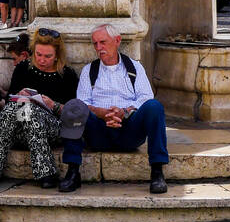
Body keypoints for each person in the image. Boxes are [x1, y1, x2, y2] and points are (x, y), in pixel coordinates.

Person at [58, 23, 169, 195]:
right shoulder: (89, 70)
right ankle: (73, 172)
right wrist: (102, 114)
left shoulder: (134, 68)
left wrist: (124, 112)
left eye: (103, 42)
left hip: (129, 132)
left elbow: (145, 98)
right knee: (74, 106)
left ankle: (157, 171)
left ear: (117, 41)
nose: (99, 47)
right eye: (95, 44)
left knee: (154, 107)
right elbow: (83, 103)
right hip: (99, 133)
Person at [0, 28, 78, 187]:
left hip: (52, 128)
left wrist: (52, 104)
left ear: (57, 57)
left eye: (48, 56)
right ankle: (44, 173)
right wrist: (20, 96)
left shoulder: (67, 75)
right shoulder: (23, 68)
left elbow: (73, 113)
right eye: (38, 54)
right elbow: (9, 103)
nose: (41, 60)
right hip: (20, 128)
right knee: (17, 106)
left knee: (30, 110)